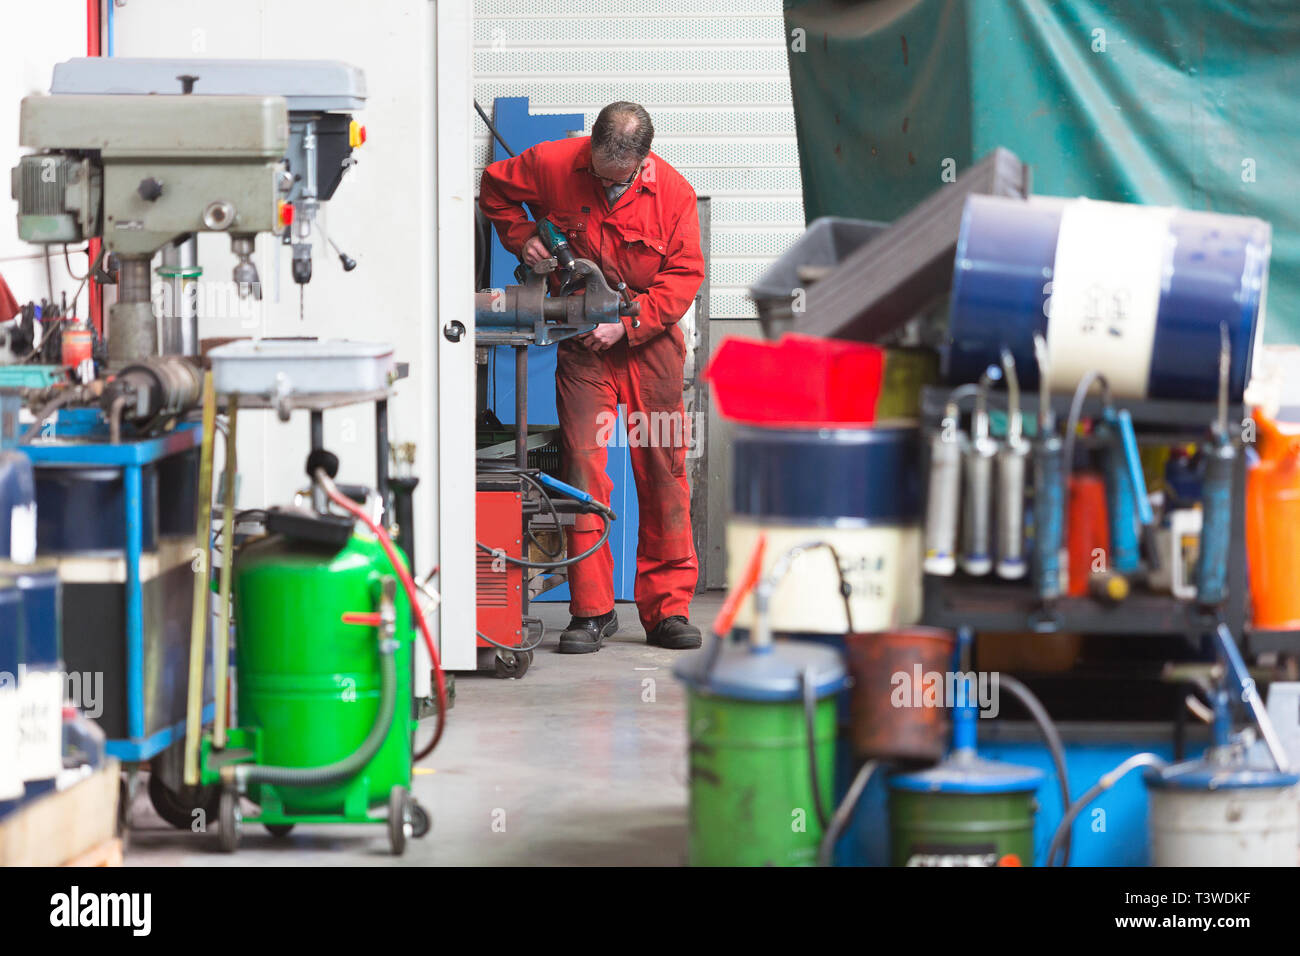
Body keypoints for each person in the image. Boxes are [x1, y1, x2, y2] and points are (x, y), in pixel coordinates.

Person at [479, 102, 706, 654]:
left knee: (663, 471)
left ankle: (667, 610)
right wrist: (522, 236)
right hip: (582, 345)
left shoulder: (673, 194)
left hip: (648, 347)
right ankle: (592, 611)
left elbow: (684, 277)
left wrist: (627, 326)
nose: (604, 183)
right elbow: (493, 188)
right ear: (592, 150)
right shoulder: (555, 162)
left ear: (640, 162)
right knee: (583, 471)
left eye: (616, 177)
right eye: (598, 172)